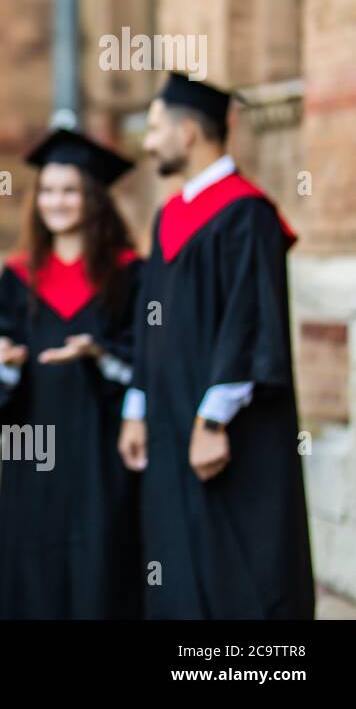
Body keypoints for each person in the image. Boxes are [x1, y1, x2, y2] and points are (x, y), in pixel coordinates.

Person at [118, 73, 314, 619]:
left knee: (238, 562)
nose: (149, 142)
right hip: (170, 419)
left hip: (229, 429)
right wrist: (138, 408)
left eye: (156, 129)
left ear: (188, 132)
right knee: (178, 557)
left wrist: (213, 421)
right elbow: (148, 319)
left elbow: (250, 319)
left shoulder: (247, 213)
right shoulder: (169, 217)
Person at [0, 129, 144, 619]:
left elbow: (149, 356)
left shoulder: (129, 274)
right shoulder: (18, 274)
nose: (56, 202)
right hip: (34, 440)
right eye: (47, 191)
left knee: (102, 550)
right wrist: (3, 359)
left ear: (94, 198)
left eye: (70, 191)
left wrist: (99, 352)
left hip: (100, 443)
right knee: (33, 547)